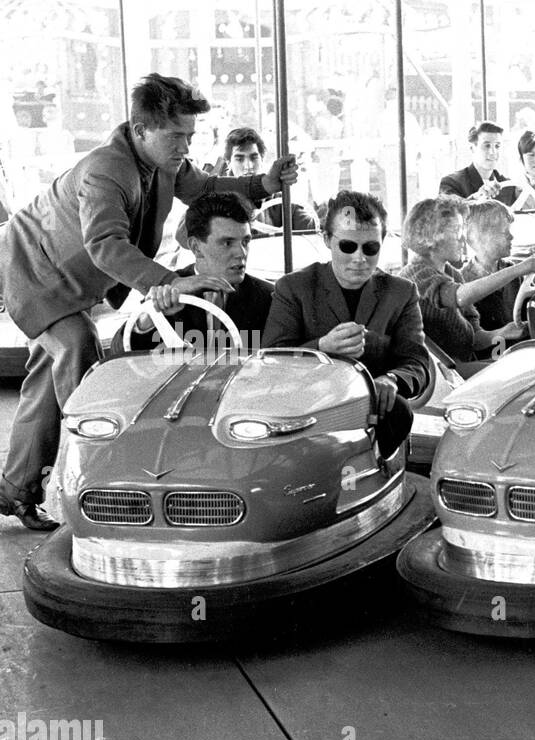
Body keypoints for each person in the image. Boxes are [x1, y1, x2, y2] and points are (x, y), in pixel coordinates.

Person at [0, 72, 298, 531]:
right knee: (77, 346)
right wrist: (170, 284)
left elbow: (205, 189)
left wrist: (263, 183)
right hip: (33, 268)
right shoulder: (105, 170)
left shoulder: (163, 163)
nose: (184, 145)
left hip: (67, 276)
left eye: (190, 136)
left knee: (48, 374)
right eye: (176, 135)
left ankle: (16, 489)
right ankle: (96, 471)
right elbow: (106, 244)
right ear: (141, 130)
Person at [261, 191, 429, 459]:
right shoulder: (295, 288)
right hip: (308, 410)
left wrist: (392, 379)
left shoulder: (401, 292)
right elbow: (270, 361)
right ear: (327, 240)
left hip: (374, 413)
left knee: (398, 409)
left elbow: (417, 364)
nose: (360, 258)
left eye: (370, 248)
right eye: (348, 246)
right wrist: (321, 349)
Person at [116, 192, 273, 357]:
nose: (241, 253)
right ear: (196, 247)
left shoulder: (267, 297)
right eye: (227, 243)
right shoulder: (170, 292)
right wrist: (148, 318)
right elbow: (119, 358)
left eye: (245, 242)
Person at [398, 195, 525, 365]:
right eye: (456, 230)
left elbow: (475, 339)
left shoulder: (453, 274)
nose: (463, 238)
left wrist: (504, 332)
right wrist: (520, 269)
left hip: (460, 369)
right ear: (430, 237)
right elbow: (459, 297)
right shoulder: (415, 275)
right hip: (439, 378)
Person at [176, 127, 316, 239]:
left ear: (262, 159)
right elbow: (183, 235)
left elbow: (304, 222)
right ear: (229, 163)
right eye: (239, 159)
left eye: (254, 158)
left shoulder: (276, 199)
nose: (248, 165)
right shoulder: (217, 199)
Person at [456, 199, 535, 334]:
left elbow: (526, 308)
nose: (511, 237)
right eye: (505, 232)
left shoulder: (512, 269)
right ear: (480, 238)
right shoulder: (463, 280)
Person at [439, 121, 520, 206]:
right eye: (487, 146)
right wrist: (476, 198)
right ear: (472, 148)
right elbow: (449, 215)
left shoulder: (508, 185)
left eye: (497, 146)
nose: (493, 152)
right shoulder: (452, 183)